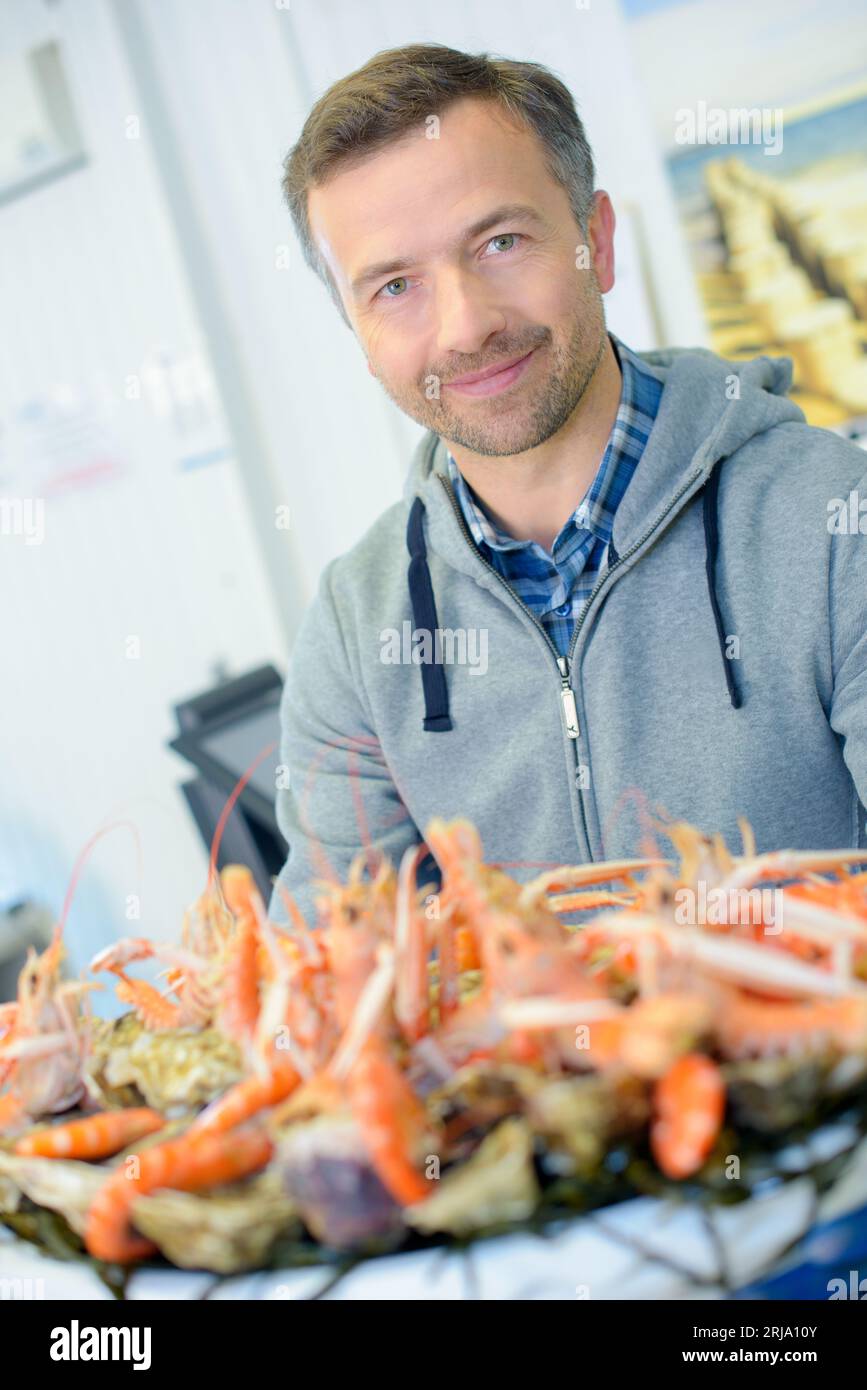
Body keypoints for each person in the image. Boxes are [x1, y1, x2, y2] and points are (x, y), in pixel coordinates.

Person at [268, 42, 867, 925]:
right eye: (395, 286)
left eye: (500, 242)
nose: (466, 325)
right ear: (356, 329)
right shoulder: (358, 631)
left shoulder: (830, 523)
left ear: (595, 241)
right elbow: (326, 964)